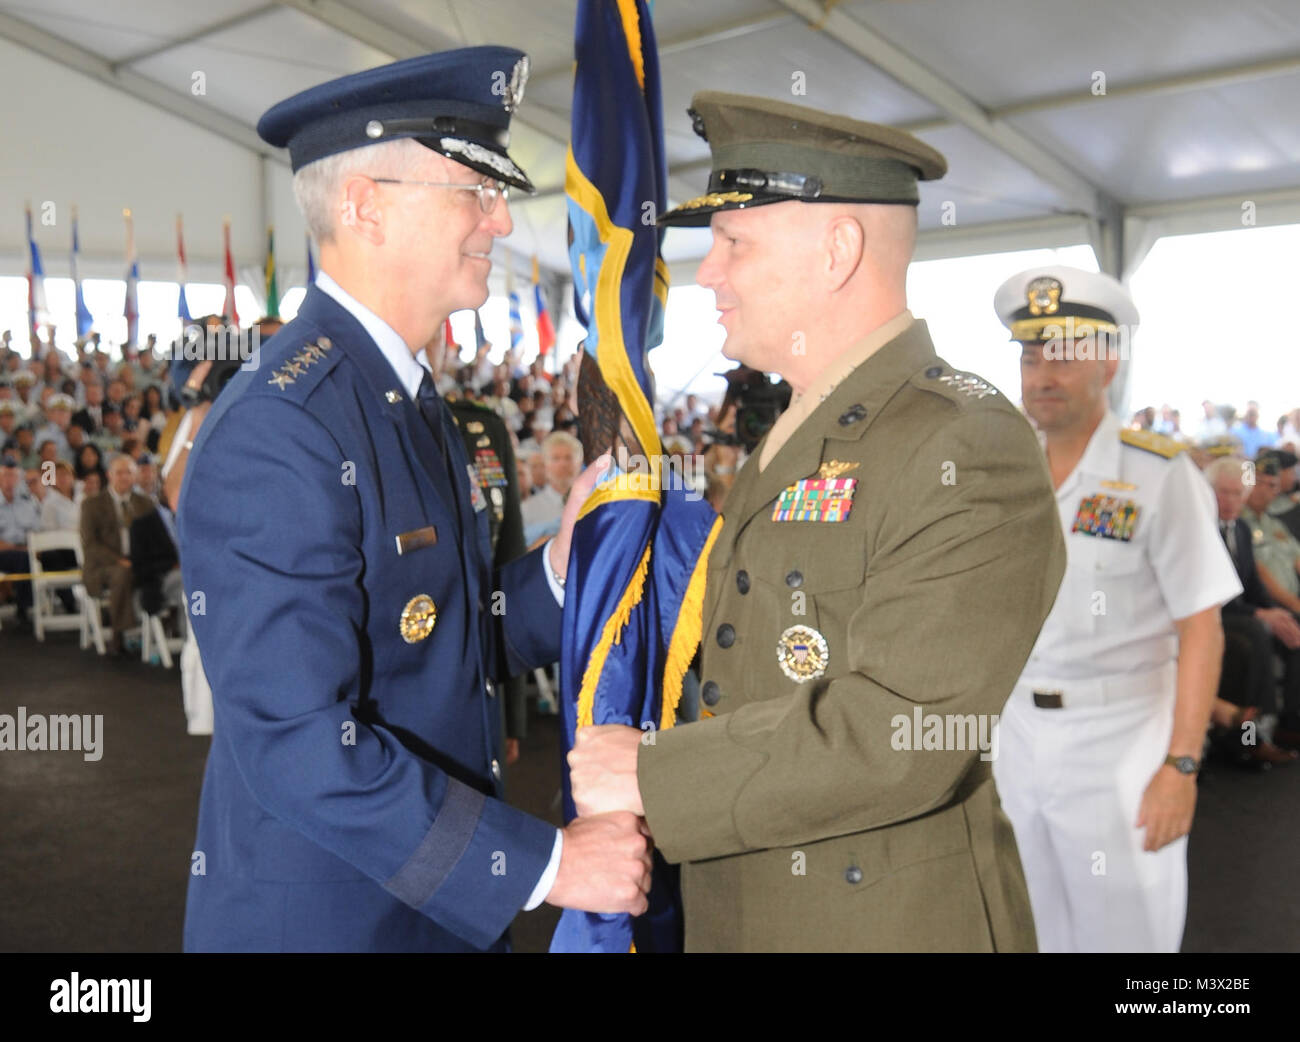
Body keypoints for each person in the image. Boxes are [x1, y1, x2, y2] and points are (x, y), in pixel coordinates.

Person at [568, 91, 1066, 952]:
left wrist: (651, 775)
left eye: (733, 242)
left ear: (839, 252)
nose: (709, 274)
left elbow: (904, 730)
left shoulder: (966, 437)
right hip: (748, 900)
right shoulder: (807, 423)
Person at [178, 47, 651, 953]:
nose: (503, 221)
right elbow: (296, 740)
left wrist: (558, 568)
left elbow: (437, 636)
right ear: (365, 206)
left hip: (426, 908)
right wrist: (547, 866)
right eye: (474, 190)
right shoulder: (285, 424)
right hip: (330, 925)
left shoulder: (407, 398)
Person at [989, 265, 1241, 952]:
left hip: (1123, 741)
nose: (1041, 374)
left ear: (1107, 361)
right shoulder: (1003, 475)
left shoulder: (1160, 476)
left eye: (1063, 355)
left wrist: (1182, 766)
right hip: (1014, 741)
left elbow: (1201, 625)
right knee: (1028, 927)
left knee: (1128, 938)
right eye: (1030, 354)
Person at [81, 454, 153, 656]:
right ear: (109, 475)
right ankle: (119, 633)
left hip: (139, 562)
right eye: (119, 472)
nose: (124, 477)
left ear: (135, 475)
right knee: (122, 573)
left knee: (167, 573)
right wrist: (119, 560)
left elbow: (154, 538)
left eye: (128, 472)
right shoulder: (92, 504)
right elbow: (90, 544)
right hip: (103, 565)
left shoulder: (146, 503)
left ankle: (167, 627)